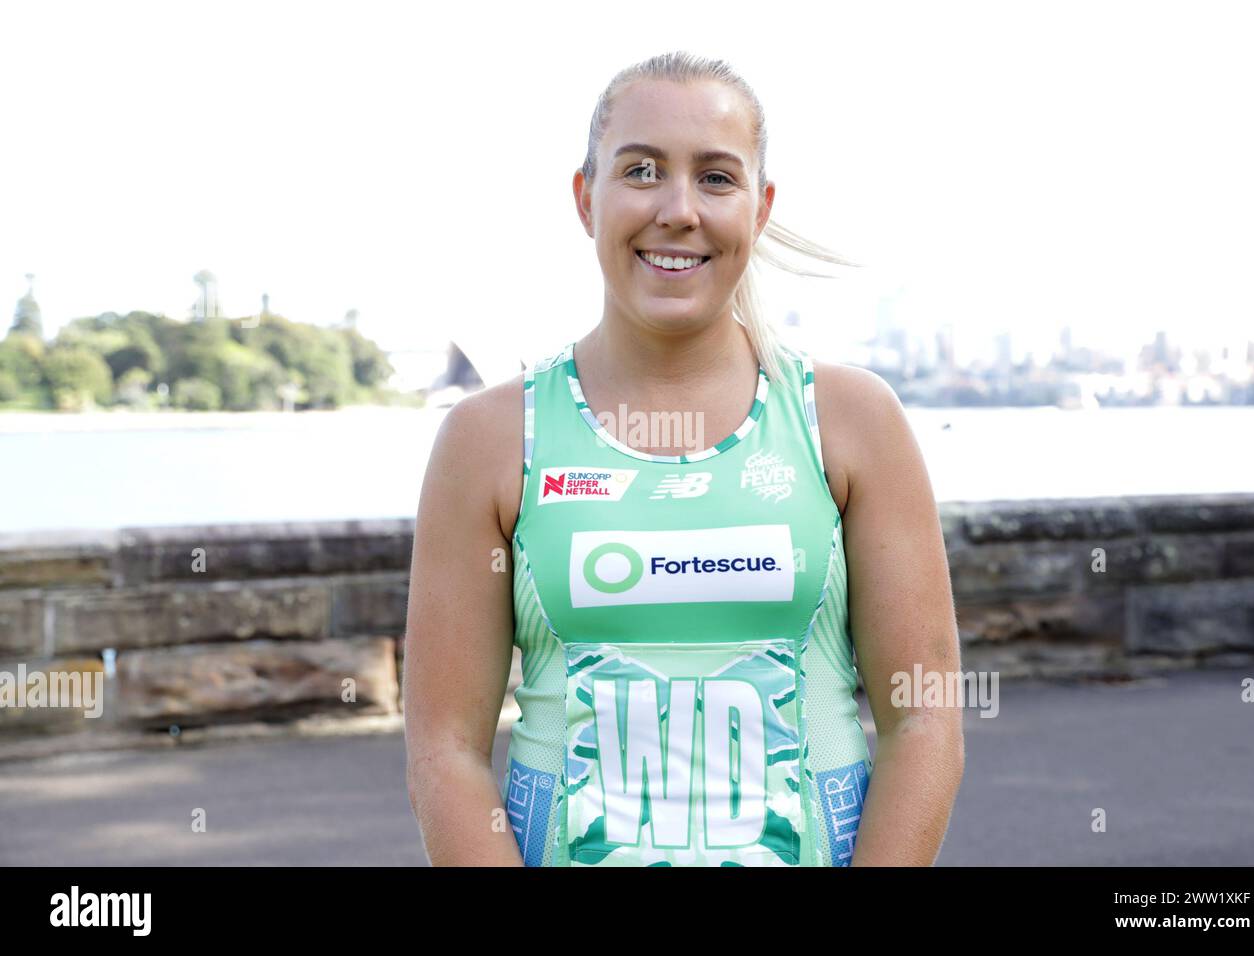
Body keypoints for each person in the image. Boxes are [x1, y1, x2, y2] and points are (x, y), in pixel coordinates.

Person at [404, 50, 964, 867]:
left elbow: (925, 718)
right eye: (641, 170)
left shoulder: (848, 421)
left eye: (716, 178)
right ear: (585, 197)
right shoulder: (491, 439)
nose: (678, 210)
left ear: (760, 208)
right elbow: (445, 747)